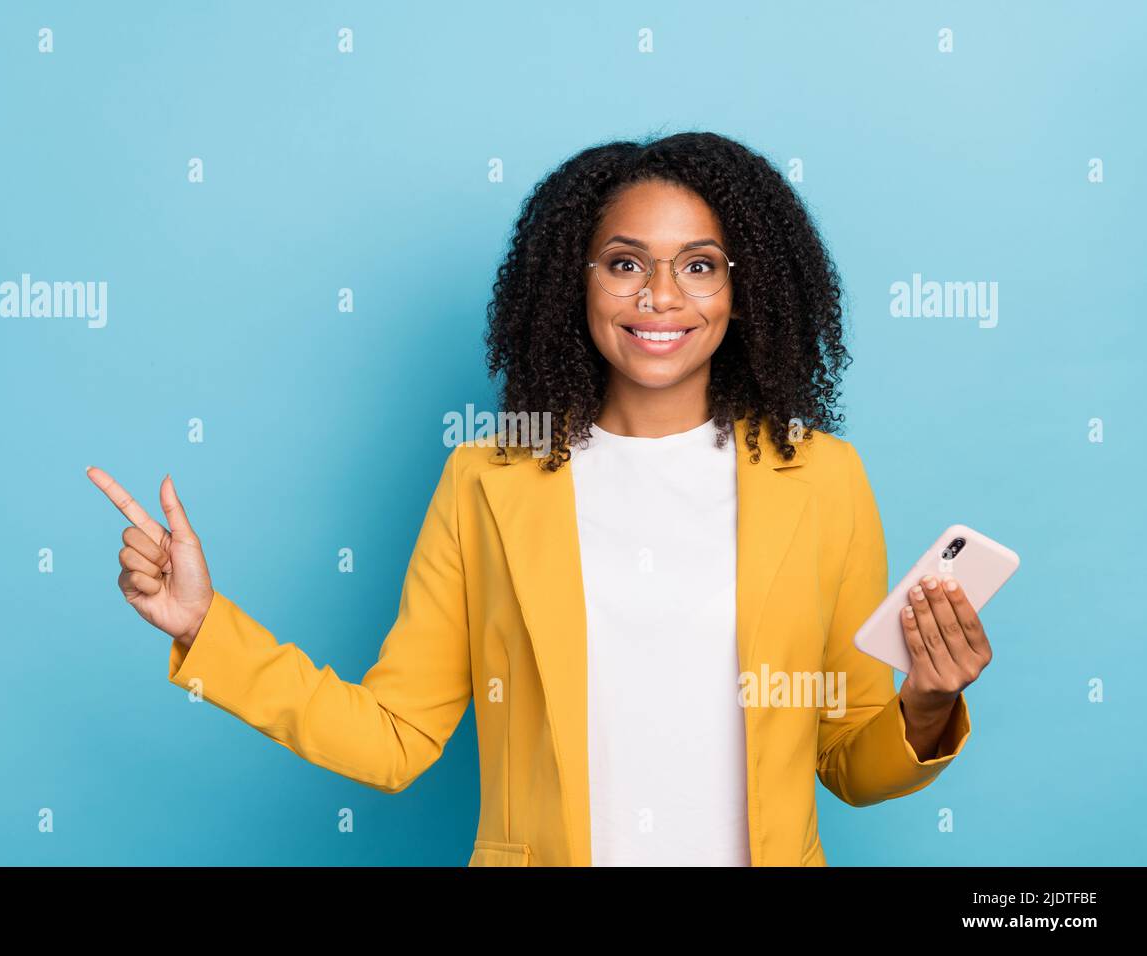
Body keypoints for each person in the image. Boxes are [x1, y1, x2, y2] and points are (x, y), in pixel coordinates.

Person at [87, 131, 990, 866]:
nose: (662, 296)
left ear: (746, 291)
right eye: (625, 263)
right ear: (575, 281)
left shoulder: (820, 476)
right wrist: (204, 629)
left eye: (701, 266)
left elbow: (847, 758)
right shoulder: (490, 478)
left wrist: (925, 703)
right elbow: (395, 736)